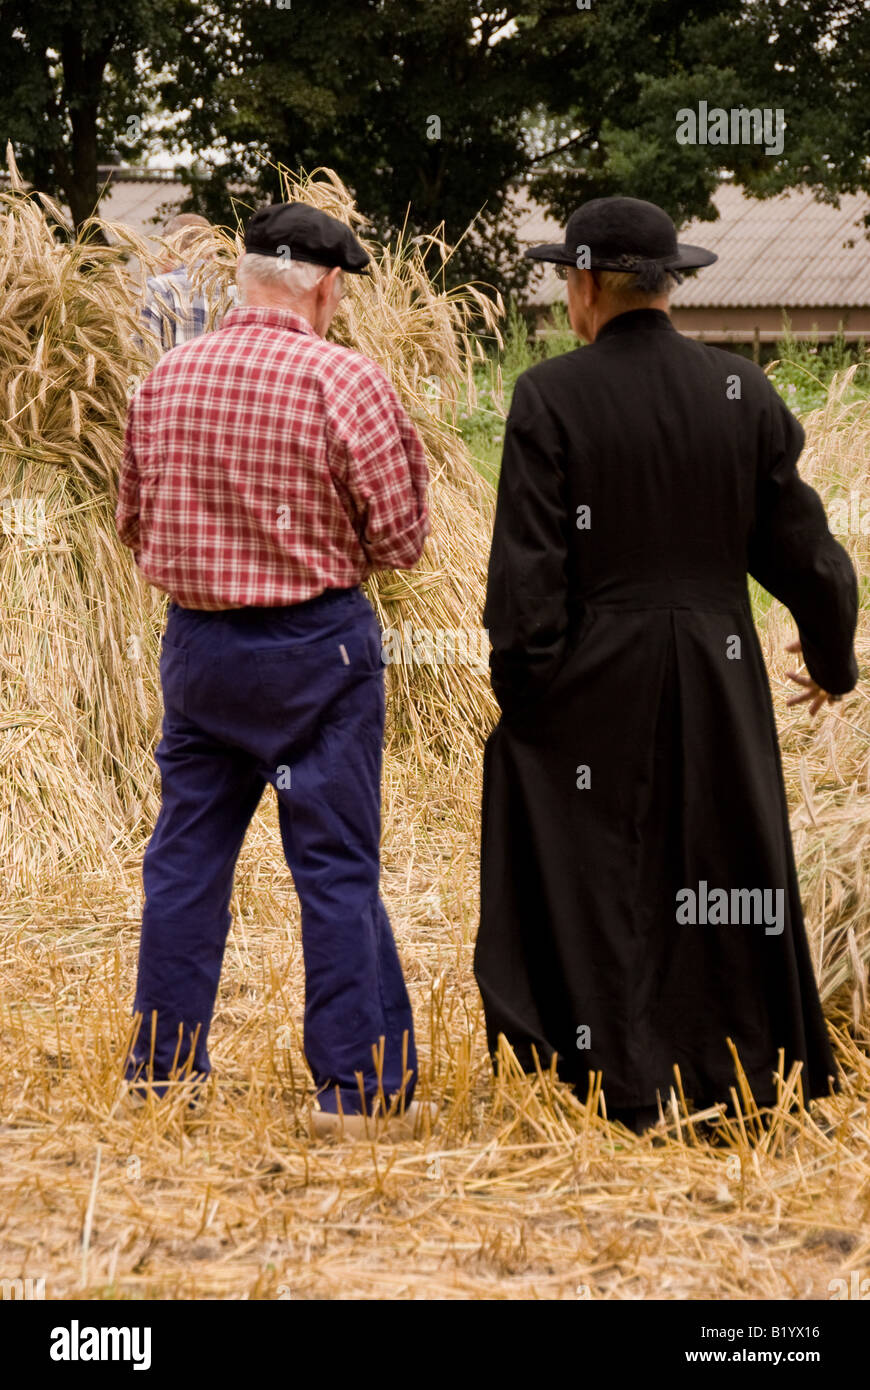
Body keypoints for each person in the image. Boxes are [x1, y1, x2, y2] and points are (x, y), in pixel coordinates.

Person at [474, 196, 859, 1134]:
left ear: (585, 284)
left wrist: (527, 702)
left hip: (593, 675)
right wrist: (835, 660)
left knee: (599, 868)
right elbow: (811, 557)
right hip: (718, 672)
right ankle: (733, 1070)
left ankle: (610, 1073)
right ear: (669, 284)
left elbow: (527, 581)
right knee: (718, 864)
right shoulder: (744, 393)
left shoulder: (551, 396)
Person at [116, 202, 432, 1138]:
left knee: (183, 866)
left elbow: (133, 523)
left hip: (200, 655)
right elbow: (404, 538)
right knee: (334, 870)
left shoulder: (163, 379)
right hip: (315, 653)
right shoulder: (348, 382)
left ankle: (162, 1078)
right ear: (328, 285)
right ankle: (355, 1092)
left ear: (244, 274)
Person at [141, 212, 220, 351]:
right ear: (213, 250)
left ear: (168, 249)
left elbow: (142, 353)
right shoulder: (237, 288)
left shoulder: (156, 288)